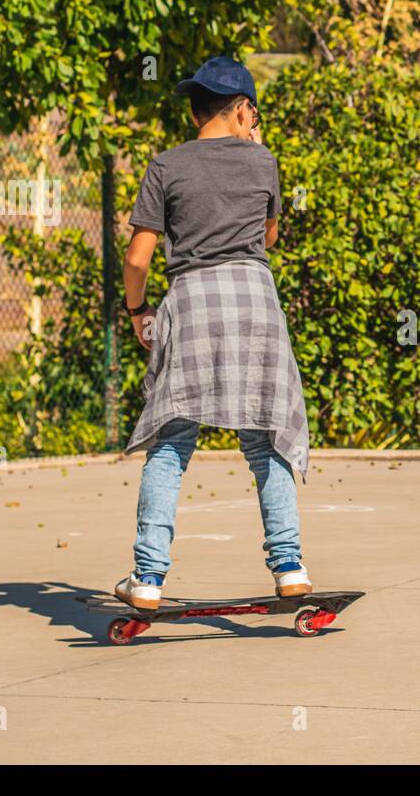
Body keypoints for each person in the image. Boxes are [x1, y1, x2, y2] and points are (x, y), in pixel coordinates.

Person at [113, 56, 312, 612]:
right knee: (265, 436)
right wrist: (255, 148)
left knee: (172, 442)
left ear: (197, 109)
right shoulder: (263, 160)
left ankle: (148, 577)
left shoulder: (166, 165)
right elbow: (267, 238)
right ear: (245, 109)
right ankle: (290, 567)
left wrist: (138, 312)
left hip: (192, 298)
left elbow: (137, 259)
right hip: (254, 300)